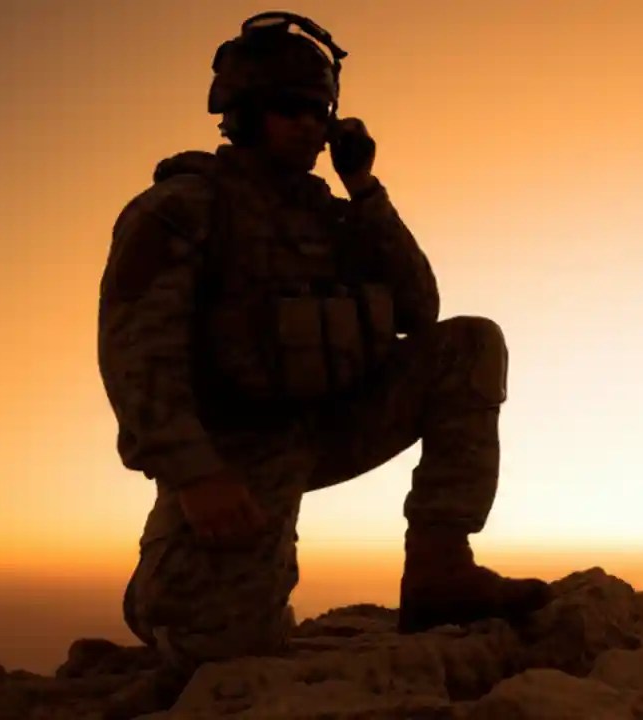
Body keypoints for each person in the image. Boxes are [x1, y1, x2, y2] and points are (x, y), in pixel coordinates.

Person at [96, 12, 553, 717]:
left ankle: (439, 568)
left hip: (332, 422)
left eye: (320, 111)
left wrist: (365, 187)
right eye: (290, 108)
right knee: (223, 645)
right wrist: (194, 473)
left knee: (470, 343)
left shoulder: (334, 216)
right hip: (235, 452)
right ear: (242, 113)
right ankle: (162, 587)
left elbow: (420, 309)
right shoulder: (181, 209)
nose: (309, 125)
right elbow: (136, 352)